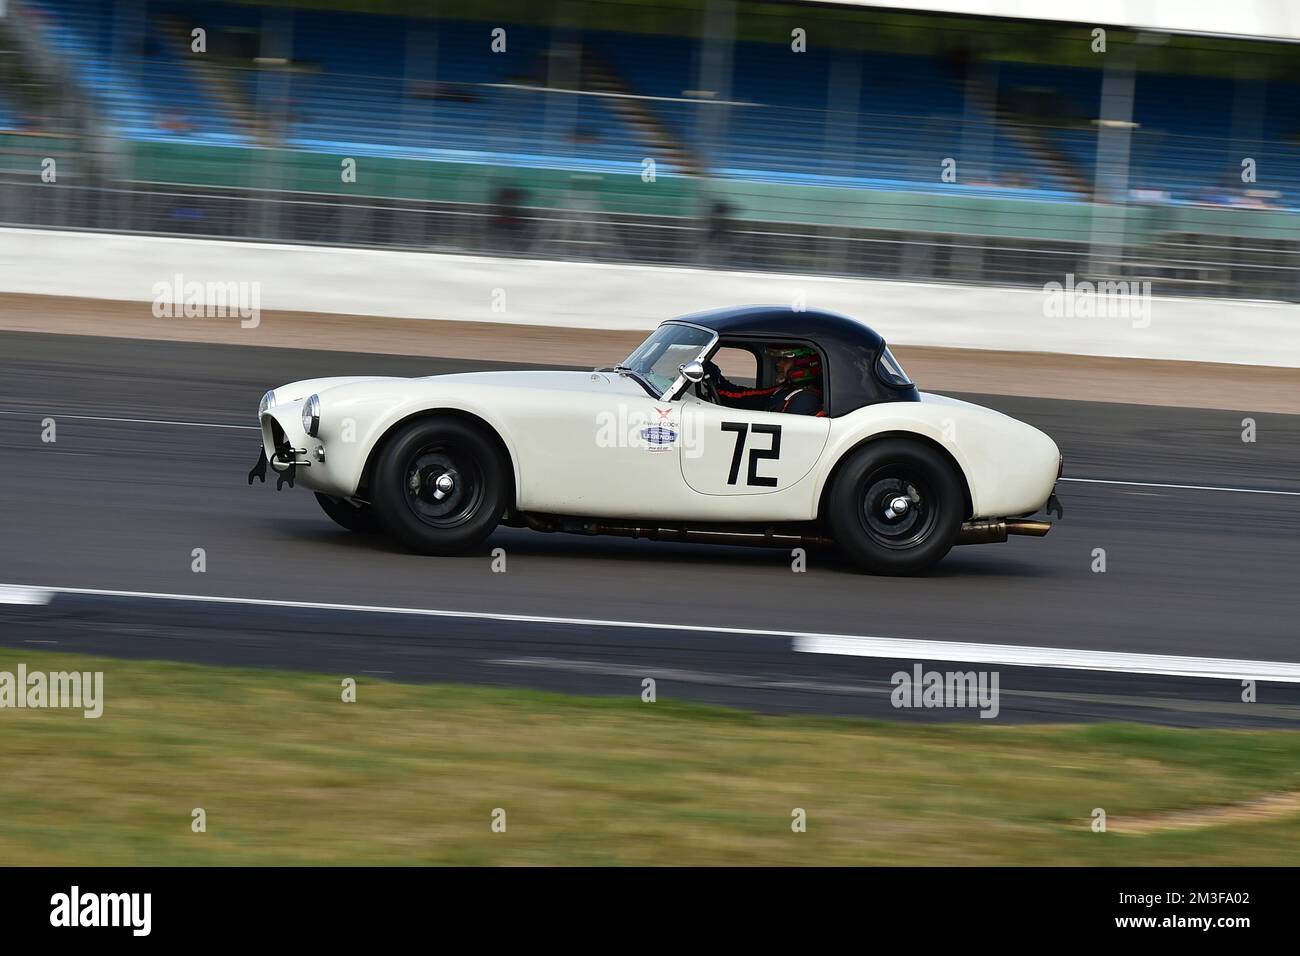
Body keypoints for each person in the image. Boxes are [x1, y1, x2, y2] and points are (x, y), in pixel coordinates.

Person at [706, 346, 824, 415]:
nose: (779, 364)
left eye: (785, 360)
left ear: (803, 364)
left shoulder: (806, 399)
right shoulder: (786, 390)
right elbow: (742, 398)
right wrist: (715, 377)